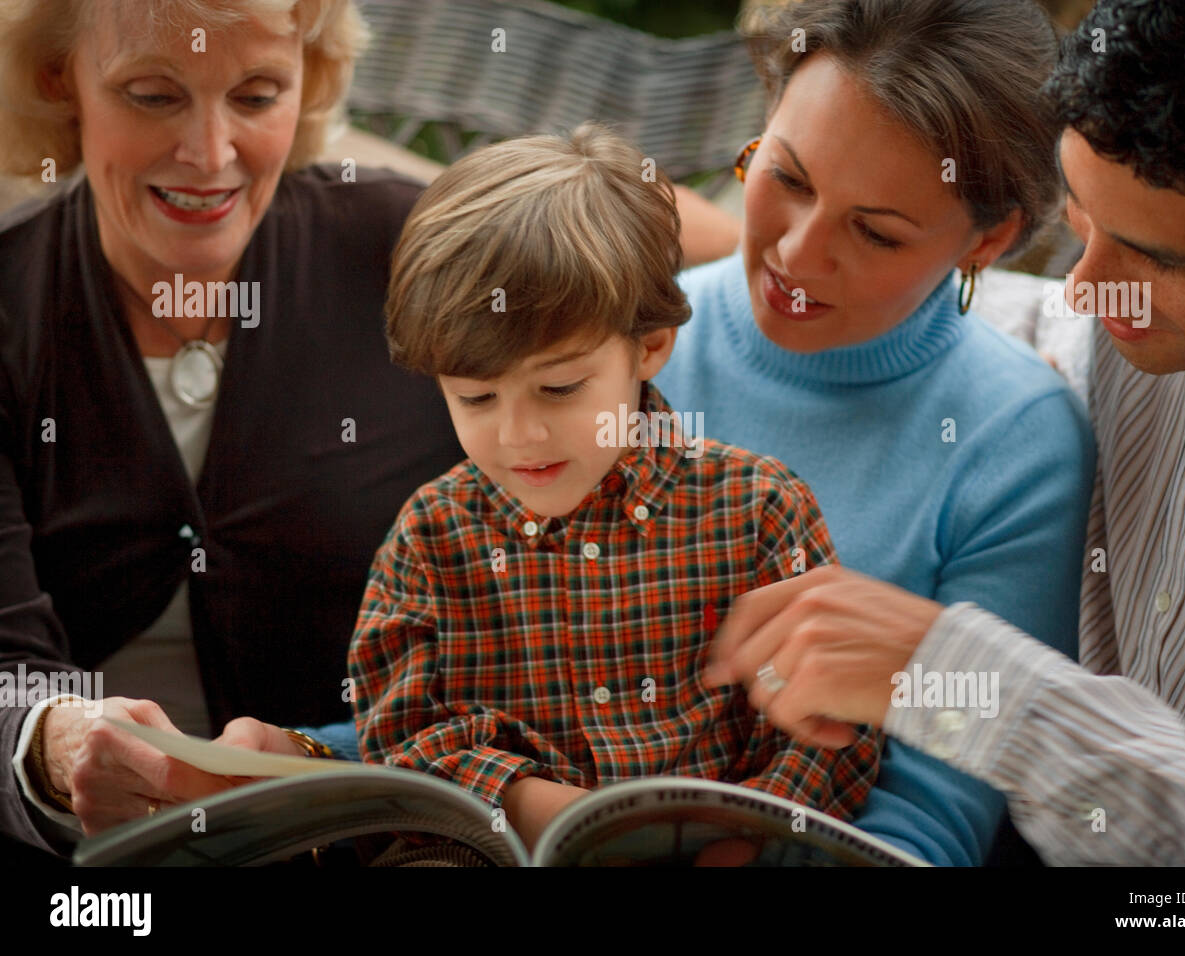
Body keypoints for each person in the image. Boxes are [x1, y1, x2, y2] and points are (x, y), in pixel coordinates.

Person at [0, 0, 738, 862]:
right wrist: (51, 745)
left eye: (257, 94)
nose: (209, 153)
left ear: (307, 85)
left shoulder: (406, 247)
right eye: (154, 96)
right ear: (62, 81)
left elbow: (728, 254)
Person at [705, 0, 1185, 865]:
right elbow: (968, 317)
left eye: (1159, 260)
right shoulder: (1107, 342)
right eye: (1085, 219)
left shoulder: (1032, 430)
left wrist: (974, 686)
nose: (1089, 291)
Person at [349, 124, 881, 863]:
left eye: (560, 388)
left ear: (650, 345)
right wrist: (534, 807)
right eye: (475, 399)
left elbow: (831, 736)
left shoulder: (758, 511)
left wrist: (741, 846)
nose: (520, 435)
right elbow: (396, 734)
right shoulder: (431, 536)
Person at [653, 0, 1095, 865]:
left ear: (990, 239)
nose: (800, 255)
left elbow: (931, 820)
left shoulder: (1017, 446)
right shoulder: (619, 347)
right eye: (787, 177)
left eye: (876, 231)